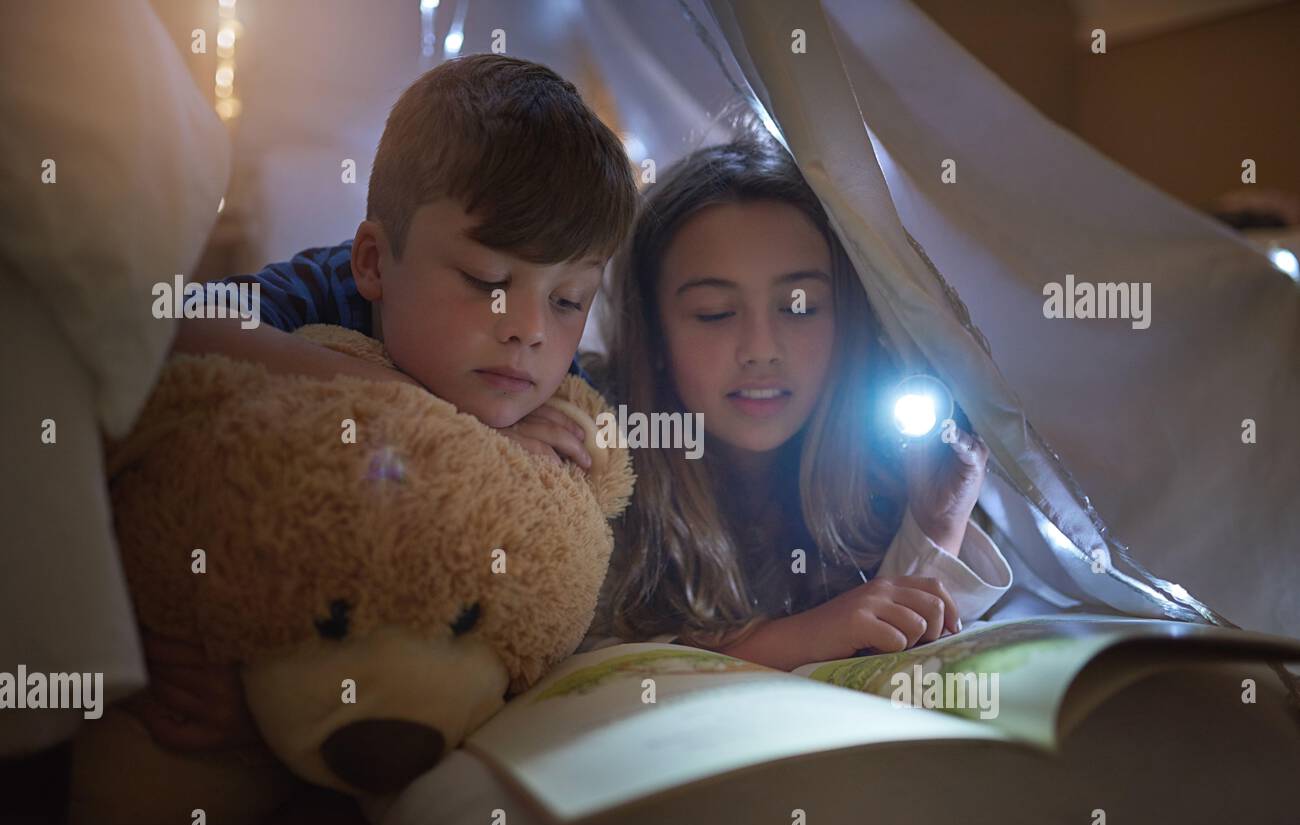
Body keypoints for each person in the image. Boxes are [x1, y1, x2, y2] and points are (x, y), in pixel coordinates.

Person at [129, 54, 639, 750]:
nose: (530, 328)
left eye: (568, 299)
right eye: (488, 279)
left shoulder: (550, 382)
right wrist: (417, 408)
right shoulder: (326, 287)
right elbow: (176, 335)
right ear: (373, 261)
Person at [583, 133, 1012, 671]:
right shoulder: (597, 461)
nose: (761, 350)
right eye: (715, 312)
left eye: (801, 307)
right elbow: (587, 666)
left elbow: (902, 637)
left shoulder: (891, 458)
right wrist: (801, 637)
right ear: (655, 333)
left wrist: (936, 523)